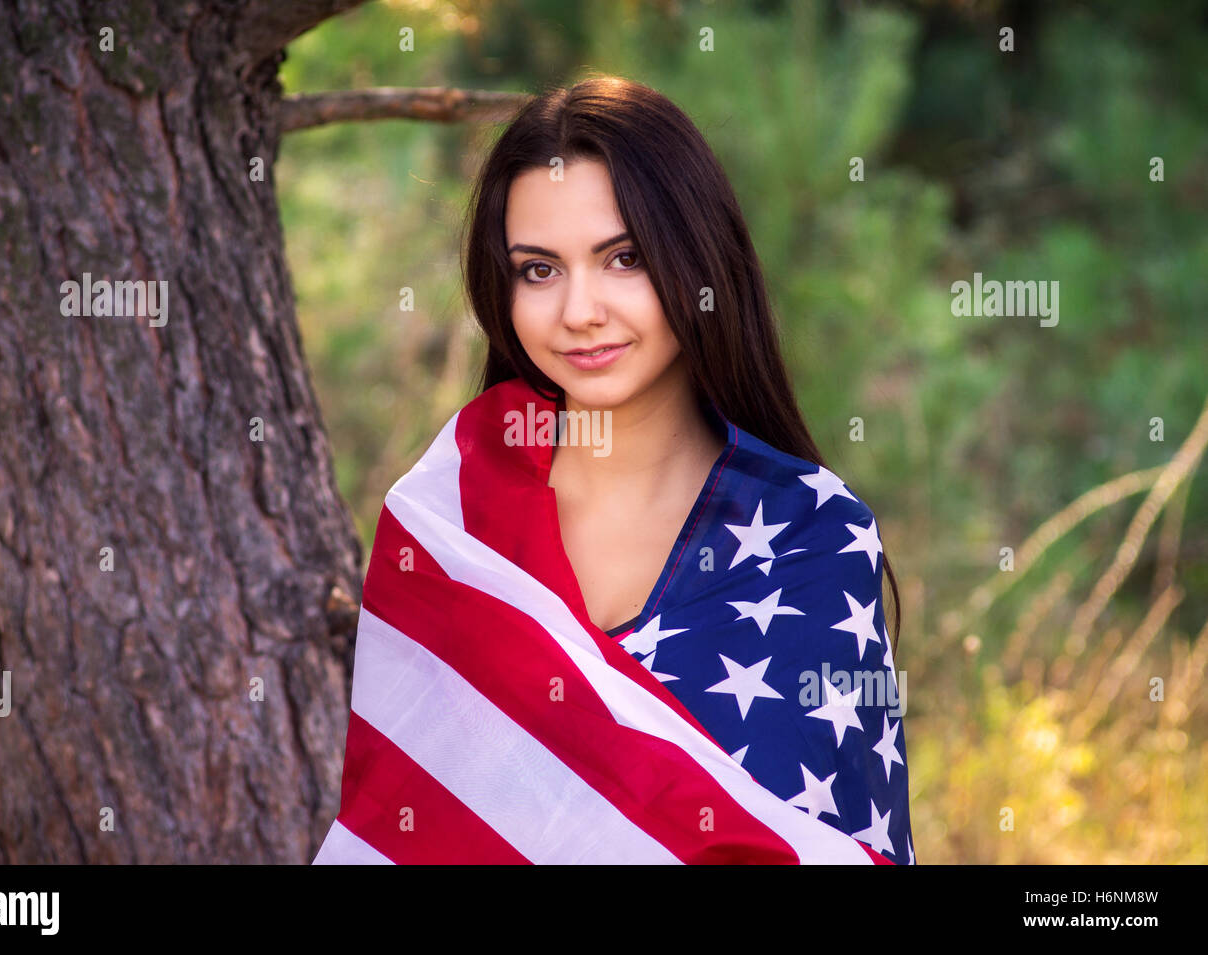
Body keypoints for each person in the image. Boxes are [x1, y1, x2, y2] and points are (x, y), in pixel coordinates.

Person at [314, 74, 914, 865]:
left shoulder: (812, 539)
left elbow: (833, 842)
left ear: (694, 258)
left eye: (622, 258)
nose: (579, 311)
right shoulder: (450, 518)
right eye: (539, 269)